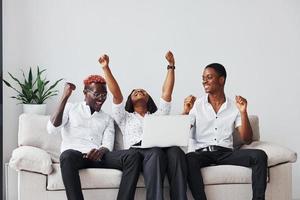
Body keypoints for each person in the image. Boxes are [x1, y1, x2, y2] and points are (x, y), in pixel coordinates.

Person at [99, 51, 188, 200]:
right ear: (129, 100)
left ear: (148, 99)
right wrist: (106, 68)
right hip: (136, 155)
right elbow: (116, 95)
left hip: (158, 153)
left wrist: (171, 66)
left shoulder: (158, 116)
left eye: (143, 91)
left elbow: (167, 92)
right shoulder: (124, 117)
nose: (139, 91)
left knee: (176, 152)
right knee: (156, 153)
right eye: (135, 92)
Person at [47, 75, 142, 200]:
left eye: (104, 95)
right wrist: (65, 96)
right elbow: (52, 129)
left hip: (99, 156)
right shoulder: (70, 108)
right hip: (76, 156)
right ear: (85, 93)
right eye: (97, 95)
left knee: (133, 156)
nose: (101, 99)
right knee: (66, 156)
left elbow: (107, 144)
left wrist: (100, 151)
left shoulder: (107, 118)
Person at [182, 63, 268, 200]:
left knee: (259, 155)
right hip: (201, 154)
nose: (204, 81)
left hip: (225, 153)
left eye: (209, 77)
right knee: (188, 159)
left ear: (221, 80)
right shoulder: (197, 105)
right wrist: (186, 112)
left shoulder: (234, 107)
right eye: (203, 77)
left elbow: (247, 139)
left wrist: (243, 112)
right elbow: (182, 132)